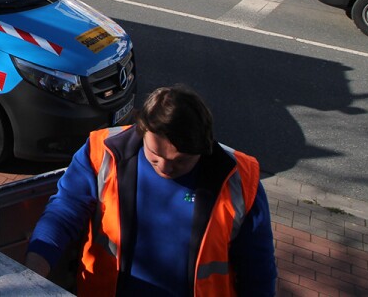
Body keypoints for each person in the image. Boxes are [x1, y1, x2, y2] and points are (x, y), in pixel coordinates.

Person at [25, 86, 277, 296]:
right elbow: (63, 214)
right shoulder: (102, 153)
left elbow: (258, 271)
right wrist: (30, 277)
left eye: (180, 161)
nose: (165, 167)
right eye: (155, 154)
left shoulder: (238, 179)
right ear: (142, 131)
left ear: (204, 148)